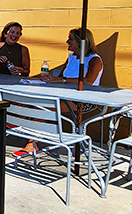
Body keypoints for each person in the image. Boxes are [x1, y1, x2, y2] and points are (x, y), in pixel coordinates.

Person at [16, 28, 103, 156]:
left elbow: (88, 81)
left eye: (71, 39)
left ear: (80, 42)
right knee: (29, 102)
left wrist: (60, 79)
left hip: (84, 99)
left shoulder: (94, 60)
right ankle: (19, 128)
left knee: (44, 108)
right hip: (63, 95)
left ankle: (32, 143)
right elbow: (62, 78)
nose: (67, 41)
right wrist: (47, 79)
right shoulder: (71, 57)